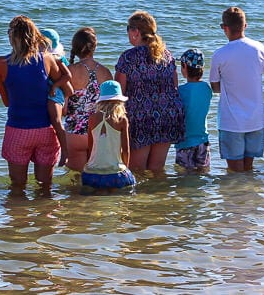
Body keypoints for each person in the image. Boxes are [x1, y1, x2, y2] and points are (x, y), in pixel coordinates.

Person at [0, 15, 71, 190]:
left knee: (17, 187)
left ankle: (19, 217)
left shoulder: (0, 63)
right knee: (45, 187)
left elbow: (7, 102)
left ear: (12, 37)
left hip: (18, 130)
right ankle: (45, 216)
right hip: (46, 130)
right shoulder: (47, 59)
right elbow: (64, 84)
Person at [115, 10, 185, 173]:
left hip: (140, 117)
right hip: (168, 115)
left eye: (128, 29)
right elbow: (174, 86)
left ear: (136, 32)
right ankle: (158, 196)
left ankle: (139, 199)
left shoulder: (128, 57)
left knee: (136, 170)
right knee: (157, 169)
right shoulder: (167, 55)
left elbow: (119, 92)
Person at [210, 7, 264, 172]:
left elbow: (215, 86)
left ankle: (237, 197)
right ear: (245, 26)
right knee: (248, 169)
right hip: (256, 120)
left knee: (235, 172)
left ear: (225, 28)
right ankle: (248, 196)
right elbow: (262, 70)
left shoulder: (220, 54)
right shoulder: (259, 48)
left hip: (231, 122)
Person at [64, 27, 113, 171]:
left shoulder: (70, 71)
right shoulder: (105, 72)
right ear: (94, 47)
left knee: (76, 181)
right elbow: (112, 109)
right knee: (96, 176)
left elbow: (65, 109)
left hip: (75, 133)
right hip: (99, 132)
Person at [81, 80, 136, 191]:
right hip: (115, 174)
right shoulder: (121, 120)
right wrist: (126, 169)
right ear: (119, 101)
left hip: (92, 173)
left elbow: (91, 147)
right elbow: (126, 150)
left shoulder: (92, 118)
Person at [175, 49, 212, 171]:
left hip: (185, 142)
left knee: (184, 176)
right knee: (203, 173)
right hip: (203, 140)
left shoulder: (180, 91)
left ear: (184, 67)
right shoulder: (207, 88)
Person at [41, 28, 72, 166]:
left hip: (56, 92)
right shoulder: (43, 57)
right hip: (49, 91)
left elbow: (68, 76)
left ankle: (65, 152)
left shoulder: (57, 58)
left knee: (56, 119)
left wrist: (54, 86)